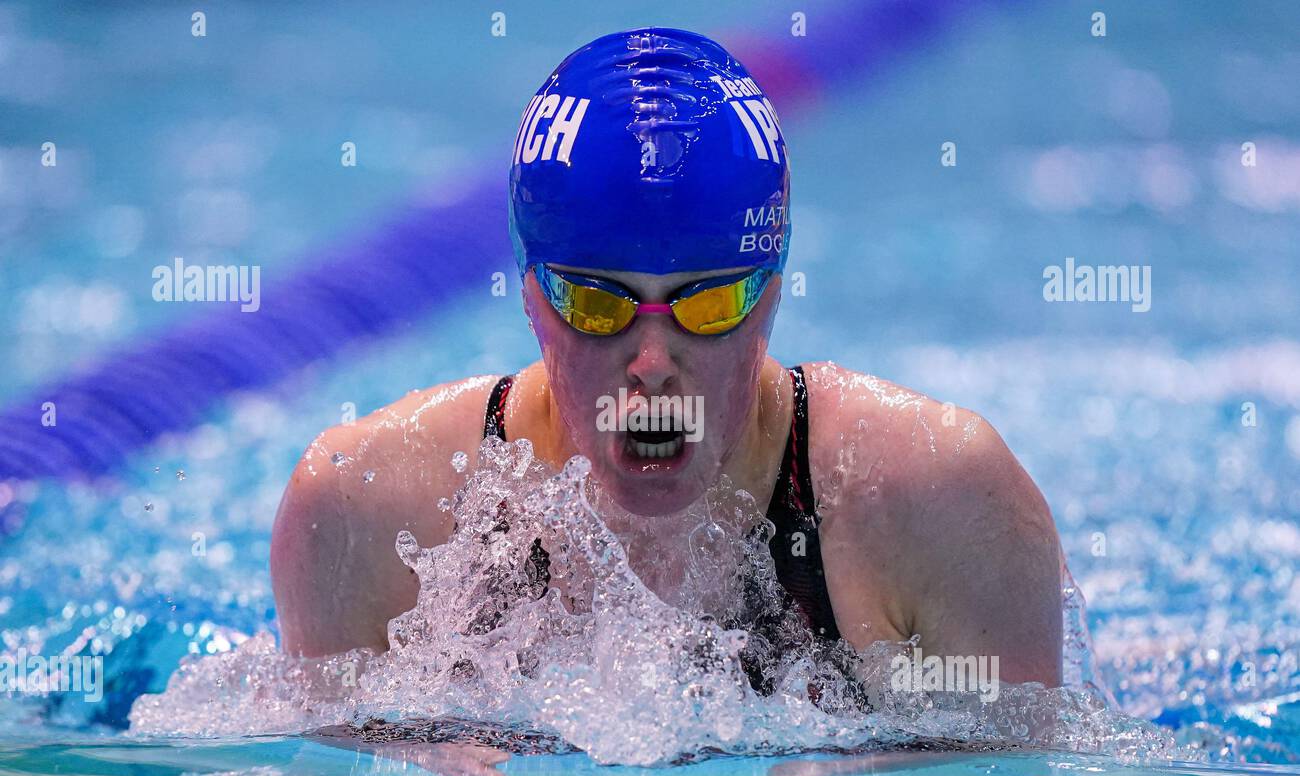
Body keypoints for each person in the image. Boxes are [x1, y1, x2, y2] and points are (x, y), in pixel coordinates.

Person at [270, 27, 1064, 689]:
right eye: (598, 302)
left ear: (772, 297)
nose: (651, 361)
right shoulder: (361, 515)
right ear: (530, 294)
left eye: (708, 303)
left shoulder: (942, 507)